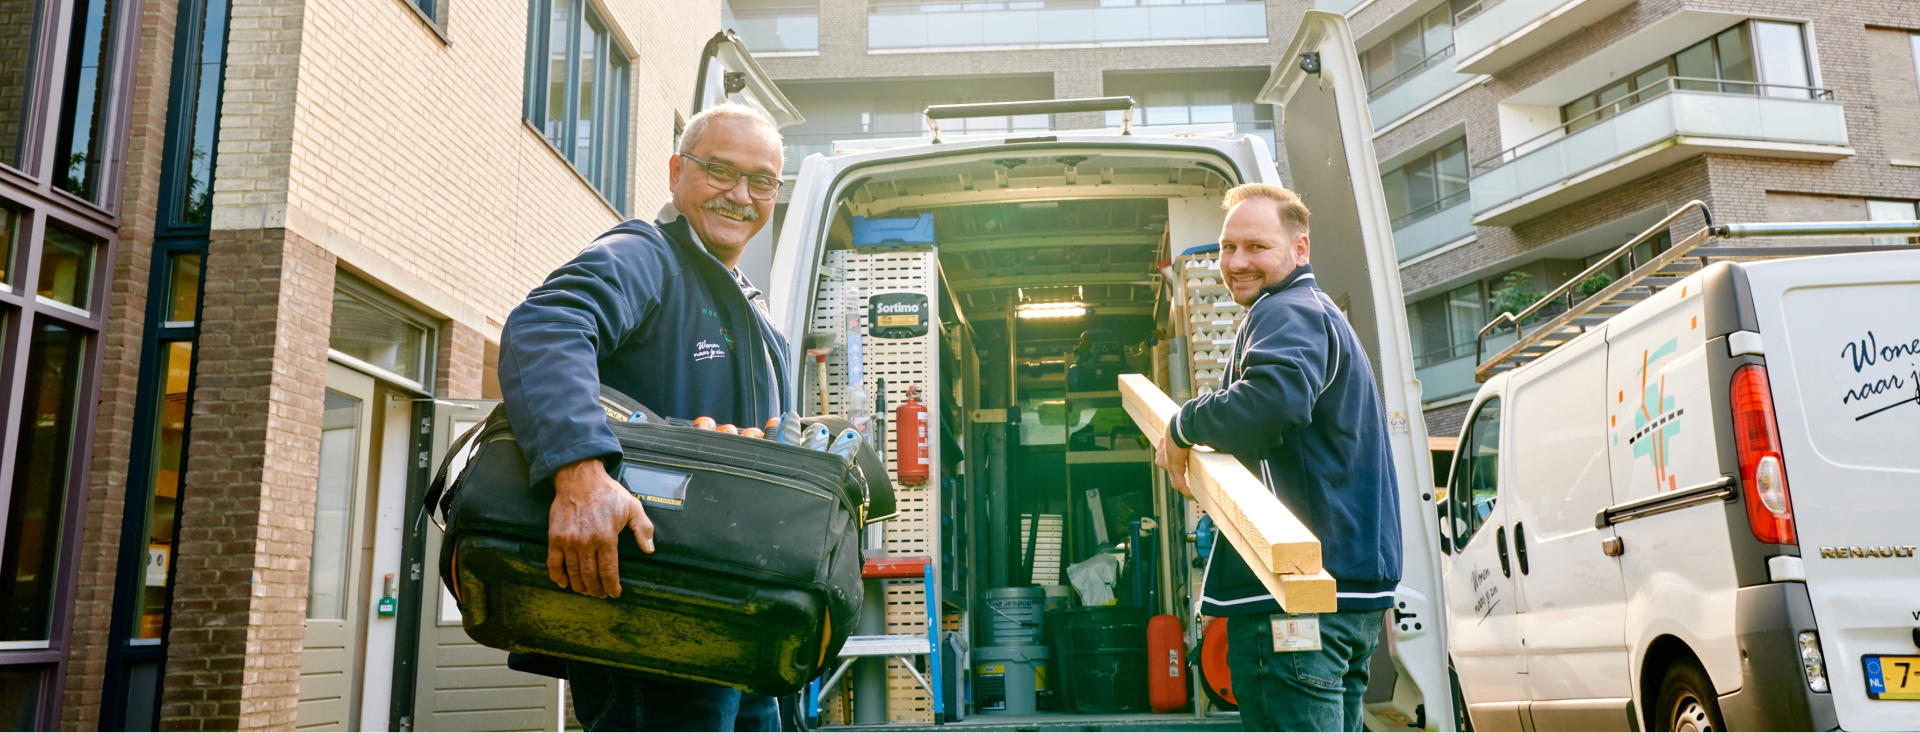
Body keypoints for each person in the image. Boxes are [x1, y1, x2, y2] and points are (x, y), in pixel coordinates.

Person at [496, 103, 794, 731]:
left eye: (762, 181)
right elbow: (546, 327)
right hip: (651, 612)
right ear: (677, 171)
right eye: (720, 171)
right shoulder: (645, 255)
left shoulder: (755, 311)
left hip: (738, 617)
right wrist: (581, 472)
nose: (741, 195)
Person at [1153, 183, 1402, 732]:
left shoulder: (1285, 310)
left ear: (1300, 248)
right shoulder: (1317, 312)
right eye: (1228, 247)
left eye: (1257, 247)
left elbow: (1273, 401)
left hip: (1295, 597)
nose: (1237, 262)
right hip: (1341, 596)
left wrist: (1183, 425)